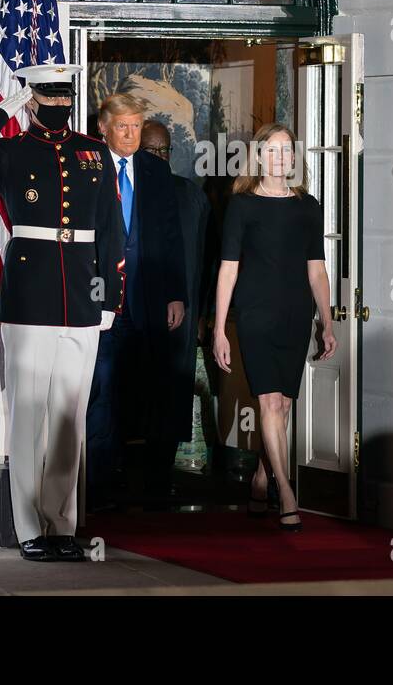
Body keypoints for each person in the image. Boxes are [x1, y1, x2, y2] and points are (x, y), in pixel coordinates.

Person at [0, 63, 125, 563]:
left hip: (82, 298)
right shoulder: (12, 149)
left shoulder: (93, 152)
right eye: (48, 96)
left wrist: (107, 295)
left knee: (69, 416)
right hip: (29, 297)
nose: (60, 103)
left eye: (65, 94)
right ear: (33, 99)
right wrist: (2, 110)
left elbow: (111, 230)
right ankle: (29, 528)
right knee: (28, 414)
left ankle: (61, 525)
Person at [212, 122, 337, 532]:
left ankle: (263, 477)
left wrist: (327, 321)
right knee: (268, 403)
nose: (280, 157)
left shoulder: (308, 205)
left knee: (283, 406)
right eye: (273, 150)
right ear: (260, 156)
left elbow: (317, 269)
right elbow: (228, 269)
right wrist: (218, 329)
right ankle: (286, 490)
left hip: (296, 314)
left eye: (287, 150)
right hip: (255, 314)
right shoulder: (243, 205)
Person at [86, 94, 187, 509]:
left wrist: (175, 293)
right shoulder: (86, 166)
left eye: (137, 127)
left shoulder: (154, 170)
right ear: (104, 128)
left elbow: (169, 236)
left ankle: (144, 484)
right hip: (100, 300)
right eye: (123, 127)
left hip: (147, 301)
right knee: (101, 391)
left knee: (145, 389)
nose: (131, 135)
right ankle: (97, 487)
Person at [141, 119, 212, 468]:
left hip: (182, 314)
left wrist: (202, 313)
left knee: (173, 393)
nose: (156, 157)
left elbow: (208, 257)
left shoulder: (191, 195)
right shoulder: (123, 193)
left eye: (162, 150)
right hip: (137, 314)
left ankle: (161, 475)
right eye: (149, 150)